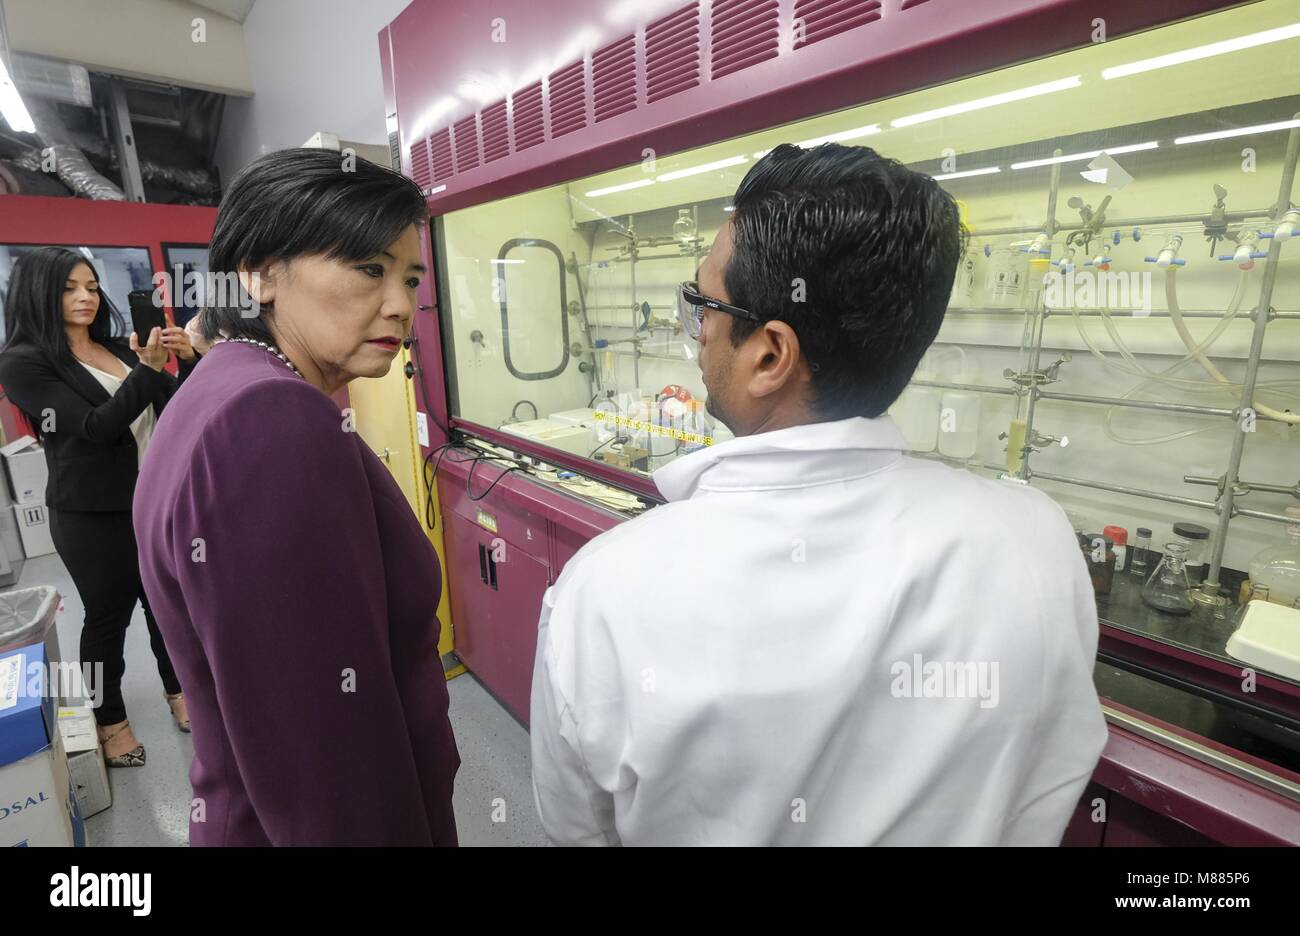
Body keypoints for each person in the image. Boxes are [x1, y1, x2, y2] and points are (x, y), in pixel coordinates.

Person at [529, 143, 1107, 845]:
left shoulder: (604, 594)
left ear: (770, 355)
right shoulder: (1035, 538)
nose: (698, 331)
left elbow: (578, 834)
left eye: (701, 304)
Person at [133, 148, 459, 846]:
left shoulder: (225, 387)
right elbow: (329, 762)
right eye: (369, 269)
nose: (401, 304)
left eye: (409, 277)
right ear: (259, 275)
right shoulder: (269, 420)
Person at [0, 247, 197, 767]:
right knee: (107, 618)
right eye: (69, 287)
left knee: (166, 607)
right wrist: (147, 371)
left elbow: (174, 406)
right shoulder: (23, 362)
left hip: (157, 499)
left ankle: (179, 694)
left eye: (90, 285)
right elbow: (96, 429)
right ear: (38, 292)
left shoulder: (119, 347)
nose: (85, 296)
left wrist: (187, 360)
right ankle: (110, 720)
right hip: (92, 513)